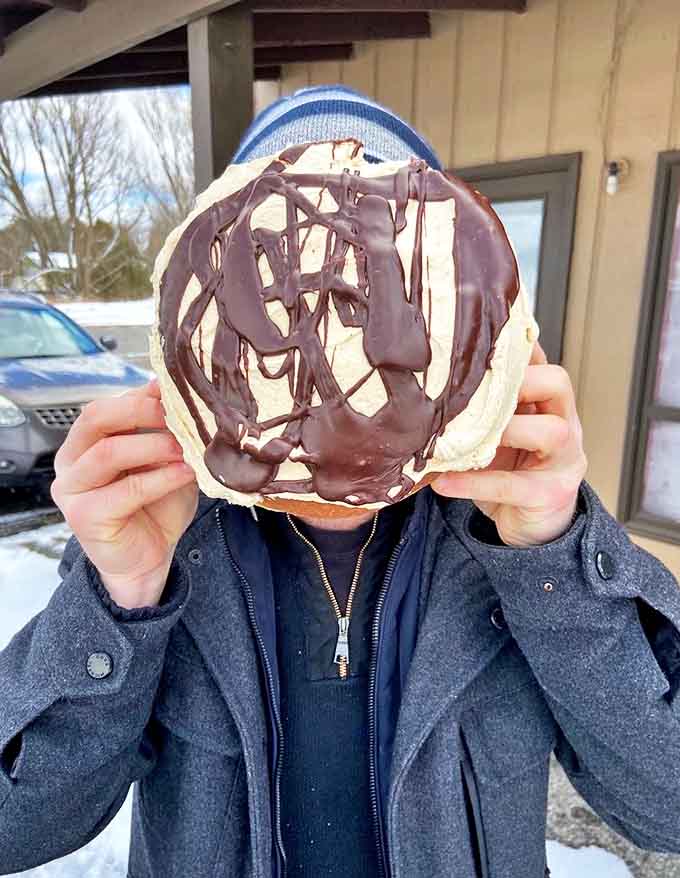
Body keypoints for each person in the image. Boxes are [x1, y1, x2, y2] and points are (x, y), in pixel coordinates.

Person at [1, 88, 680, 878]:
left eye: (374, 301)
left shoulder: (507, 543)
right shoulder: (169, 544)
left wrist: (558, 562)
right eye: (278, 301)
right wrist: (119, 604)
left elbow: (665, 806)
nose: (330, 374)